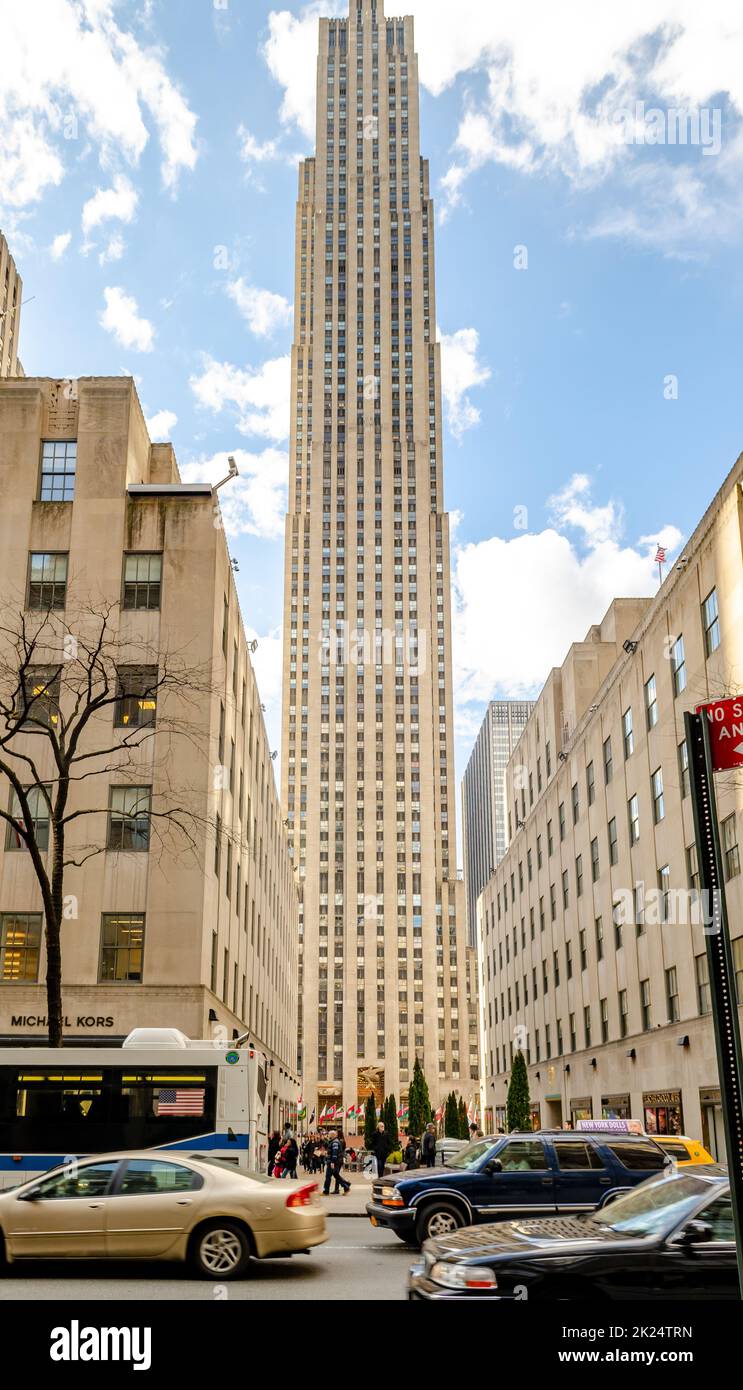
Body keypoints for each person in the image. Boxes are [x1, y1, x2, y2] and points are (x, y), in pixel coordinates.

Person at [323, 1130, 351, 1195]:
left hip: (333, 1162)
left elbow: (335, 1153)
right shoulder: (333, 1141)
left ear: (332, 1135)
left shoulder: (335, 1142)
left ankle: (326, 1191)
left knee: (329, 1176)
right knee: (335, 1175)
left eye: (329, 1134)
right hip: (335, 1161)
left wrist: (332, 1162)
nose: (328, 1136)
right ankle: (346, 1186)